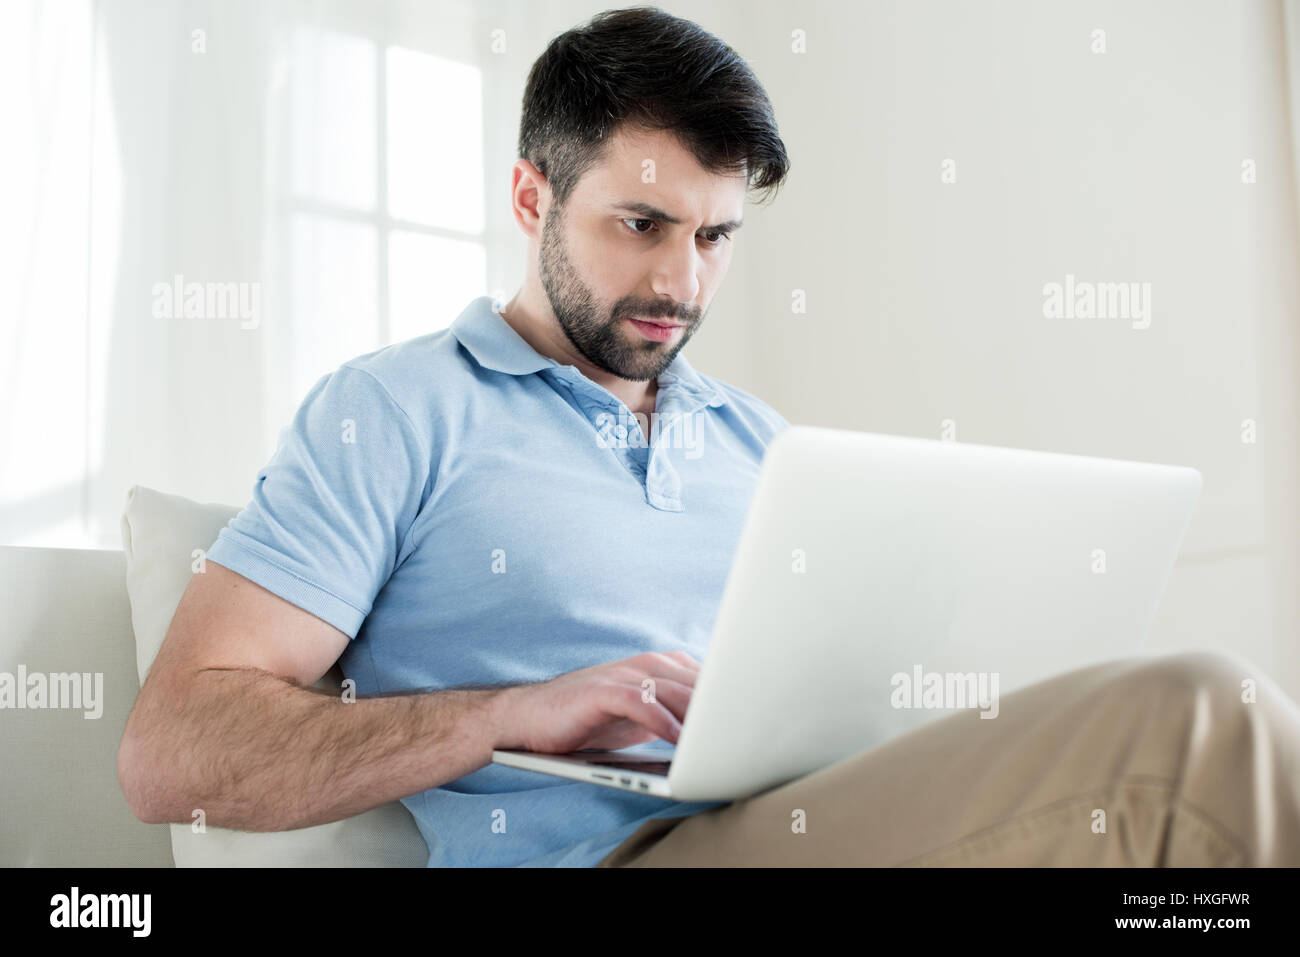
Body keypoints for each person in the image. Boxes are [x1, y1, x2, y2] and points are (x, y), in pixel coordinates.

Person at [117, 6, 1300, 867]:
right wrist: (505, 713)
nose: (680, 282)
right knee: (1199, 717)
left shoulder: (769, 448)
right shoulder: (393, 411)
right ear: (532, 198)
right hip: (627, 864)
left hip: (826, 821)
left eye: (717, 235)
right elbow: (170, 753)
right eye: (641, 223)